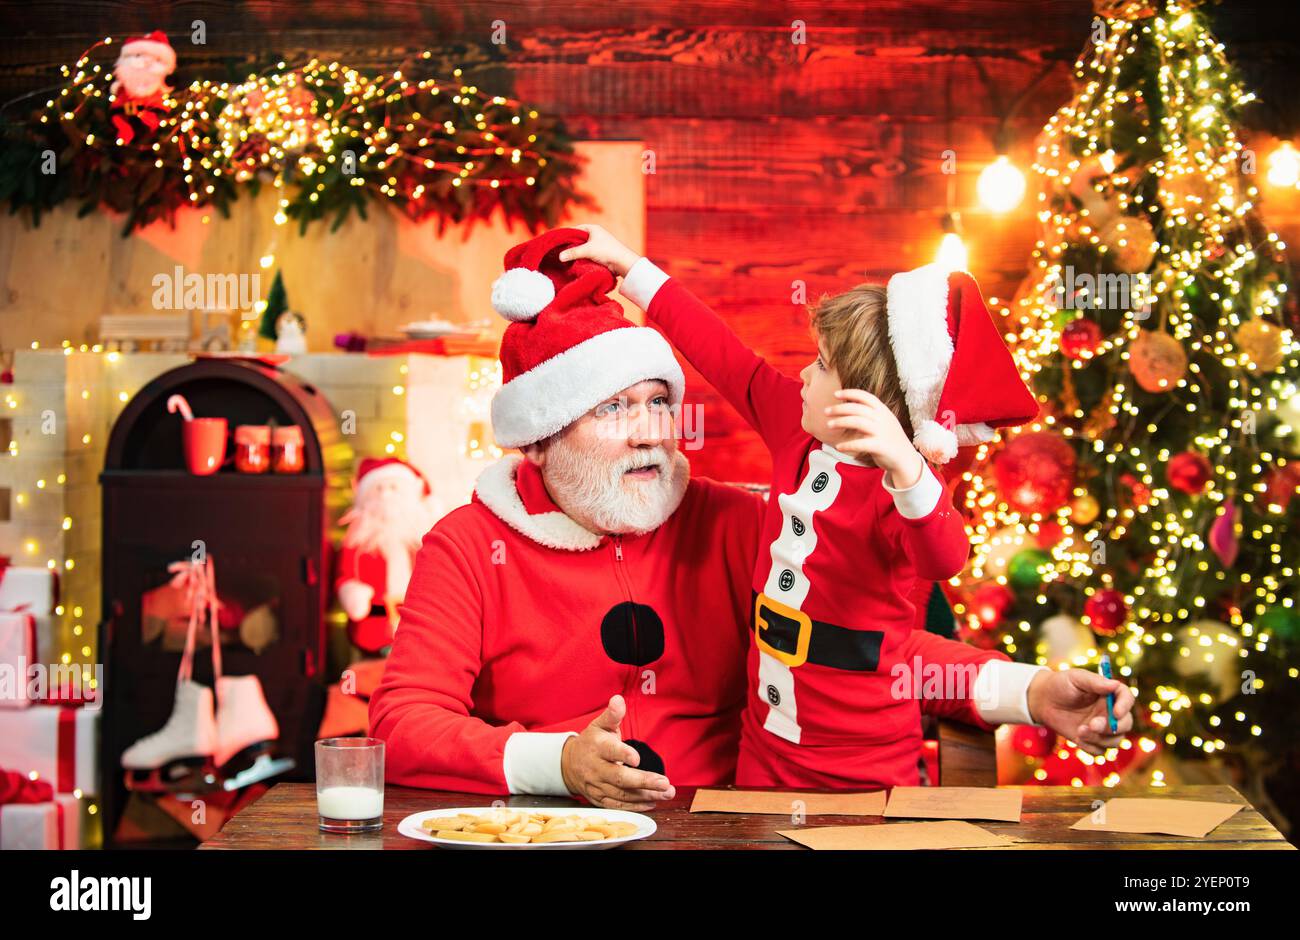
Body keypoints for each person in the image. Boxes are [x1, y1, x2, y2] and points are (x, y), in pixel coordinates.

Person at [368, 227, 1135, 807]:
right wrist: (555, 761)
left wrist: (1028, 691)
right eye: (611, 407)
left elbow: (873, 646)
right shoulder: (470, 544)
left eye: (658, 402)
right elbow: (400, 725)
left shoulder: (733, 523)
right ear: (542, 431)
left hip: (732, 826)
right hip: (557, 829)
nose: (648, 431)